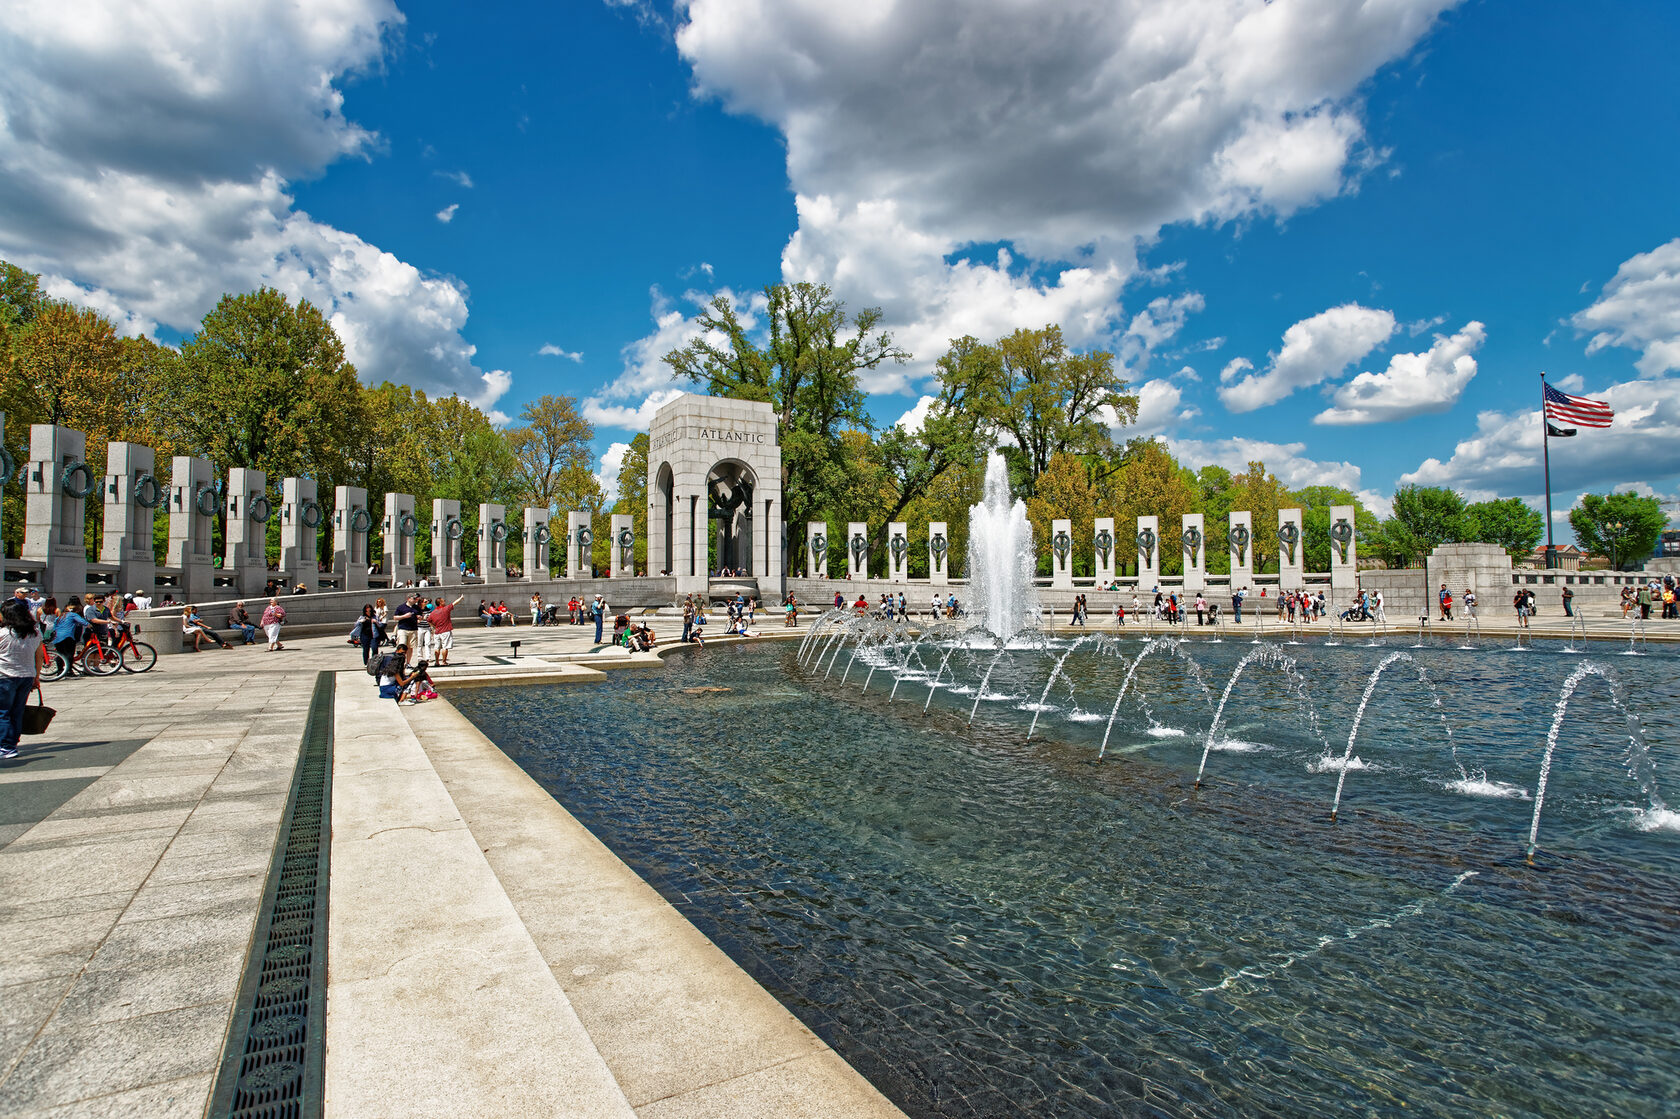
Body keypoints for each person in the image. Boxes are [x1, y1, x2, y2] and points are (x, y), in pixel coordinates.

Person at [0, 599, 45, 759]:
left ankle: (5, 746)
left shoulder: (3, 633)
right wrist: (36, 676)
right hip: (27, 676)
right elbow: (39, 656)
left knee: (3, 712)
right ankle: (12, 744)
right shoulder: (35, 633)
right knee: (17, 711)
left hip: (5, 676)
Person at [46, 598, 88, 677]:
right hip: (68, 636)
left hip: (57, 637)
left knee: (60, 654)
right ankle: (69, 671)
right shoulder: (73, 615)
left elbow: (55, 625)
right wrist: (90, 625)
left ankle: (60, 671)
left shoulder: (60, 616)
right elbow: (83, 622)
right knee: (69, 654)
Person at [428, 594, 464, 666]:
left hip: (437, 632)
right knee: (445, 647)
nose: (445, 602)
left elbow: (429, 620)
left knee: (437, 647)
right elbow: (454, 603)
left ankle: (437, 662)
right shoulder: (445, 609)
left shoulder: (433, 612)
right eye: (443, 601)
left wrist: (434, 626)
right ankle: (444, 661)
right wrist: (461, 598)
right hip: (445, 631)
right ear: (440, 602)